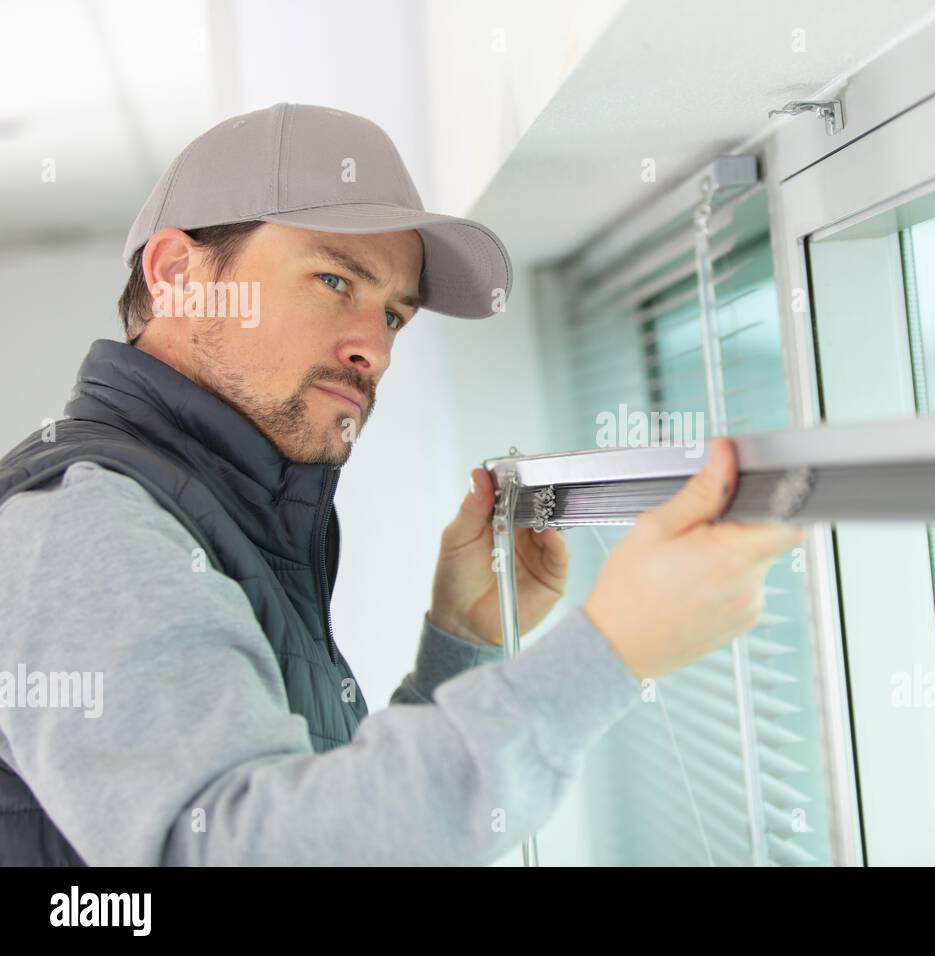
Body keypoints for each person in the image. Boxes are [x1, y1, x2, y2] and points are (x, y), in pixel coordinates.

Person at [0, 103, 804, 865]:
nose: (374, 351)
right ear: (178, 272)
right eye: (334, 282)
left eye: (393, 315)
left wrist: (462, 644)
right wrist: (611, 653)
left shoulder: (224, 518)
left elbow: (318, 829)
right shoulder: (89, 523)